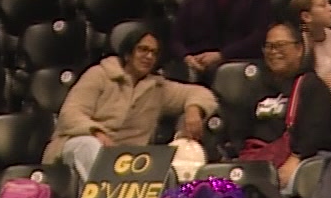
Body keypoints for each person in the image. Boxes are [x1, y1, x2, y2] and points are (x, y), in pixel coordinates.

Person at [47, 27, 216, 181]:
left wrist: (193, 110)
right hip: (78, 145)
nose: (149, 56)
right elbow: (70, 113)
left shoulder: (157, 88)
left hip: (127, 159)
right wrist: (97, 133)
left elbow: (202, 93)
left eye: (154, 53)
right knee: (90, 146)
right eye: (143, 50)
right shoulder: (99, 74)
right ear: (128, 54)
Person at [222, 21, 331, 188]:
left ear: (299, 49)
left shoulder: (312, 86)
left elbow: (316, 132)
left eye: (280, 45)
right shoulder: (255, 86)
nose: (274, 52)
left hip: (294, 161)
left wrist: (296, 159)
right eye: (269, 47)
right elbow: (239, 129)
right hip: (254, 162)